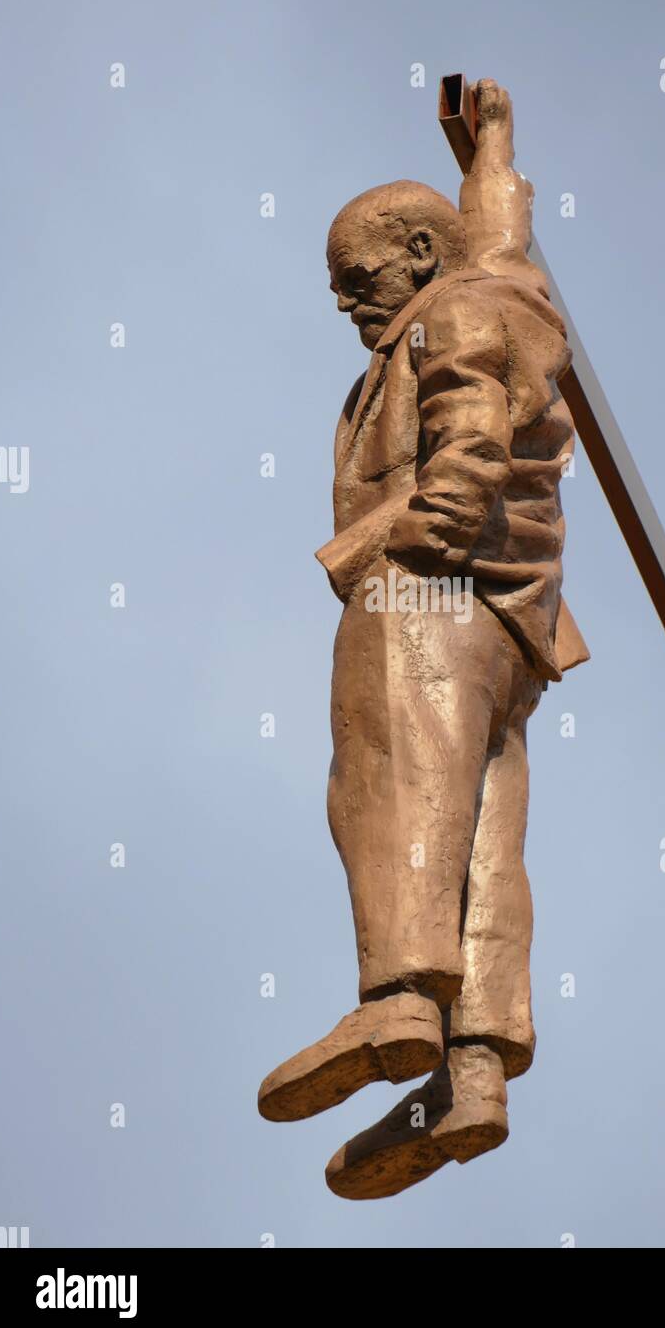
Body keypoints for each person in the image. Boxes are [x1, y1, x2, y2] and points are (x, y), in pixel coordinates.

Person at [258, 80, 589, 1199]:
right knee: (485, 834)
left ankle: (398, 999)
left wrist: (409, 538)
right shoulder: (501, 285)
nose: (347, 304)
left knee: (387, 784)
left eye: (358, 279)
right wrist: (491, 149)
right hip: (513, 628)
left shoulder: (449, 315)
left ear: (414, 252)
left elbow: (468, 429)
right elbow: (495, 231)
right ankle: (475, 1070)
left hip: (430, 594)